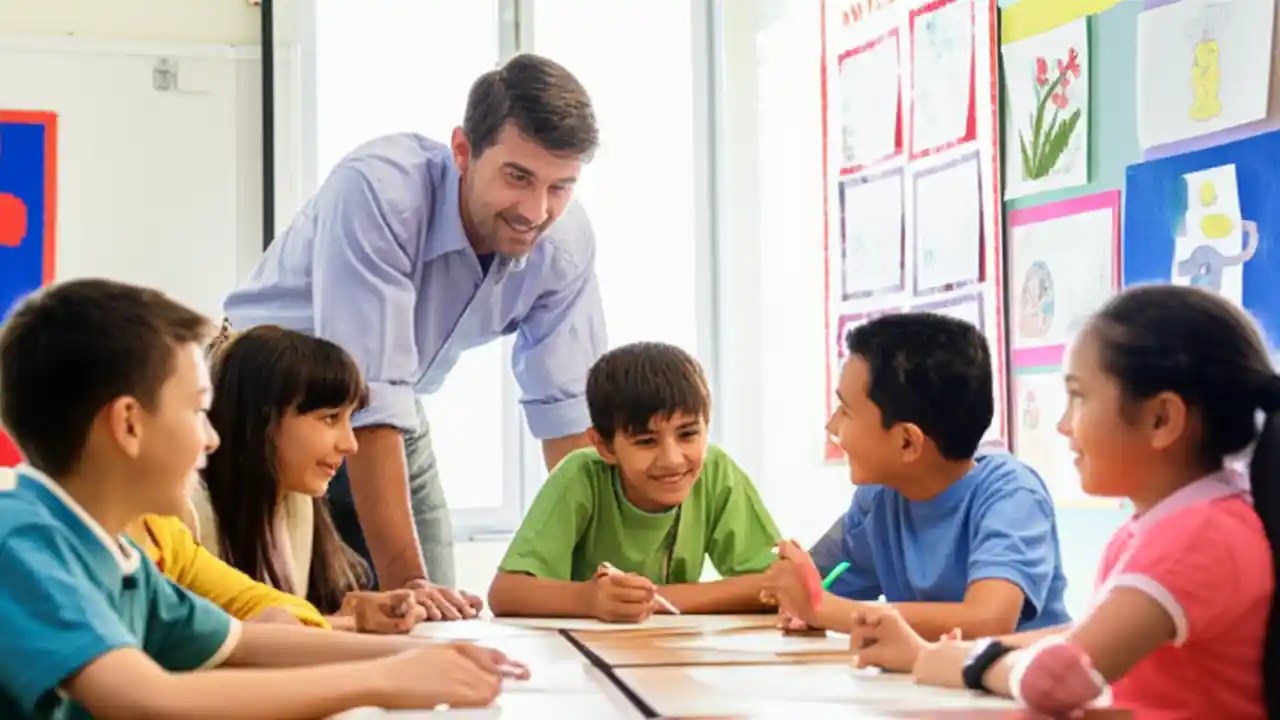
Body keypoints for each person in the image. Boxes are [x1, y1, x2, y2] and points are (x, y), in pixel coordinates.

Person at [0, 279, 527, 719]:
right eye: (198, 412)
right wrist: (384, 678)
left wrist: (424, 652)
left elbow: (243, 640)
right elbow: (145, 698)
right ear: (129, 424)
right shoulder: (21, 539)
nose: (211, 438)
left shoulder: (120, 560)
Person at [221, 53, 606, 615]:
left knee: (437, 616)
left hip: (392, 408)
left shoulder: (565, 243)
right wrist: (408, 582)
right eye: (518, 177)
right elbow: (369, 392)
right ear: (462, 151)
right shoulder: (381, 192)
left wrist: (600, 576)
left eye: (560, 187)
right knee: (285, 615)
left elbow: (567, 417)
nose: (535, 210)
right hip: (262, 404)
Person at [842, 285, 1277, 719]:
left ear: (1160, 419)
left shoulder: (1194, 538)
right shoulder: (1184, 522)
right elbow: (1081, 637)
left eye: (1079, 397)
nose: (1063, 424)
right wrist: (938, 651)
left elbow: (1059, 678)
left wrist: (967, 664)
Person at [762, 313, 1070, 640]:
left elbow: (987, 621)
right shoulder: (879, 498)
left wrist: (823, 610)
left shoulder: (1013, 496)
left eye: (846, 412)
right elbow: (814, 585)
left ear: (907, 442)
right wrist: (793, 590)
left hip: (1017, 674)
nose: (832, 427)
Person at [488, 342, 781, 620]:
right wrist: (589, 600)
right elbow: (506, 593)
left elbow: (779, 582)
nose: (672, 459)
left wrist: (659, 599)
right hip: (587, 648)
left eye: (688, 434)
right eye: (646, 441)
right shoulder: (582, 476)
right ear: (605, 447)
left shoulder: (716, 471)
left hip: (674, 645)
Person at [195, 326, 425, 628]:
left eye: (350, 418)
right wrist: (349, 622)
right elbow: (220, 637)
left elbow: (267, 628)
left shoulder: (297, 503)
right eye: (330, 418)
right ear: (262, 418)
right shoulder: (189, 515)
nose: (350, 444)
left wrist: (350, 619)